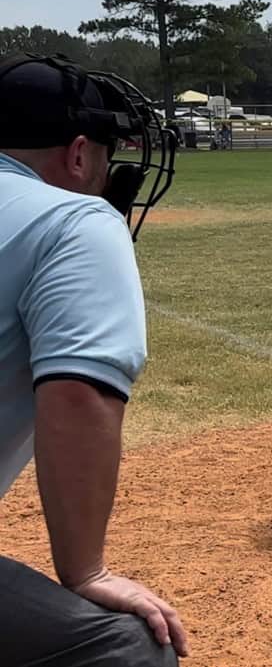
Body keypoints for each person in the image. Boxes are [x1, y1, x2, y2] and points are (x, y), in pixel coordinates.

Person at [0, 53, 186, 664]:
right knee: (127, 649)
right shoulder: (75, 219)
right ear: (79, 155)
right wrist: (85, 572)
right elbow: (78, 394)